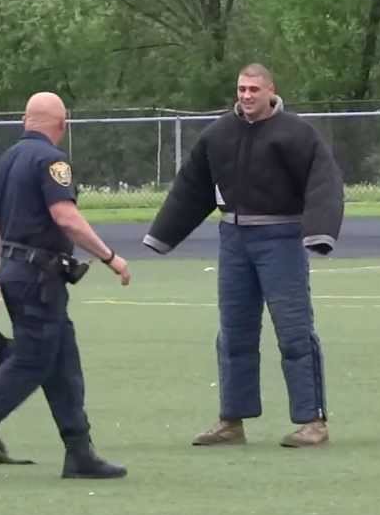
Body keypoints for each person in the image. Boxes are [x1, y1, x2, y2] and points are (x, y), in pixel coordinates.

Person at [0, 91, 133, 480]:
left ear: (26, 121)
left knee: (62, 364)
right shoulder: (52, 161)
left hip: (16, 272)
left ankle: (79, 451)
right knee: (31, 362)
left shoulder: (5, 162)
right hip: (39, 277)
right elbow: (66, 217)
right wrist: (110, 257)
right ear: (63, 125)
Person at [142, 63, 344, 448]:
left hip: (281, 238)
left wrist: (319, 232)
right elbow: (192, 186)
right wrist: (161, 235)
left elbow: (325, 182)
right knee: (233, 333)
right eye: (241, 89)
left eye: (254, 89)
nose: (247, 96)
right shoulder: (218, 134)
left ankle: (313, 422)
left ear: (271, 91)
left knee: (294, 332)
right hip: (234, 239)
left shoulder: (298, 133)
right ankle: (231, 420)